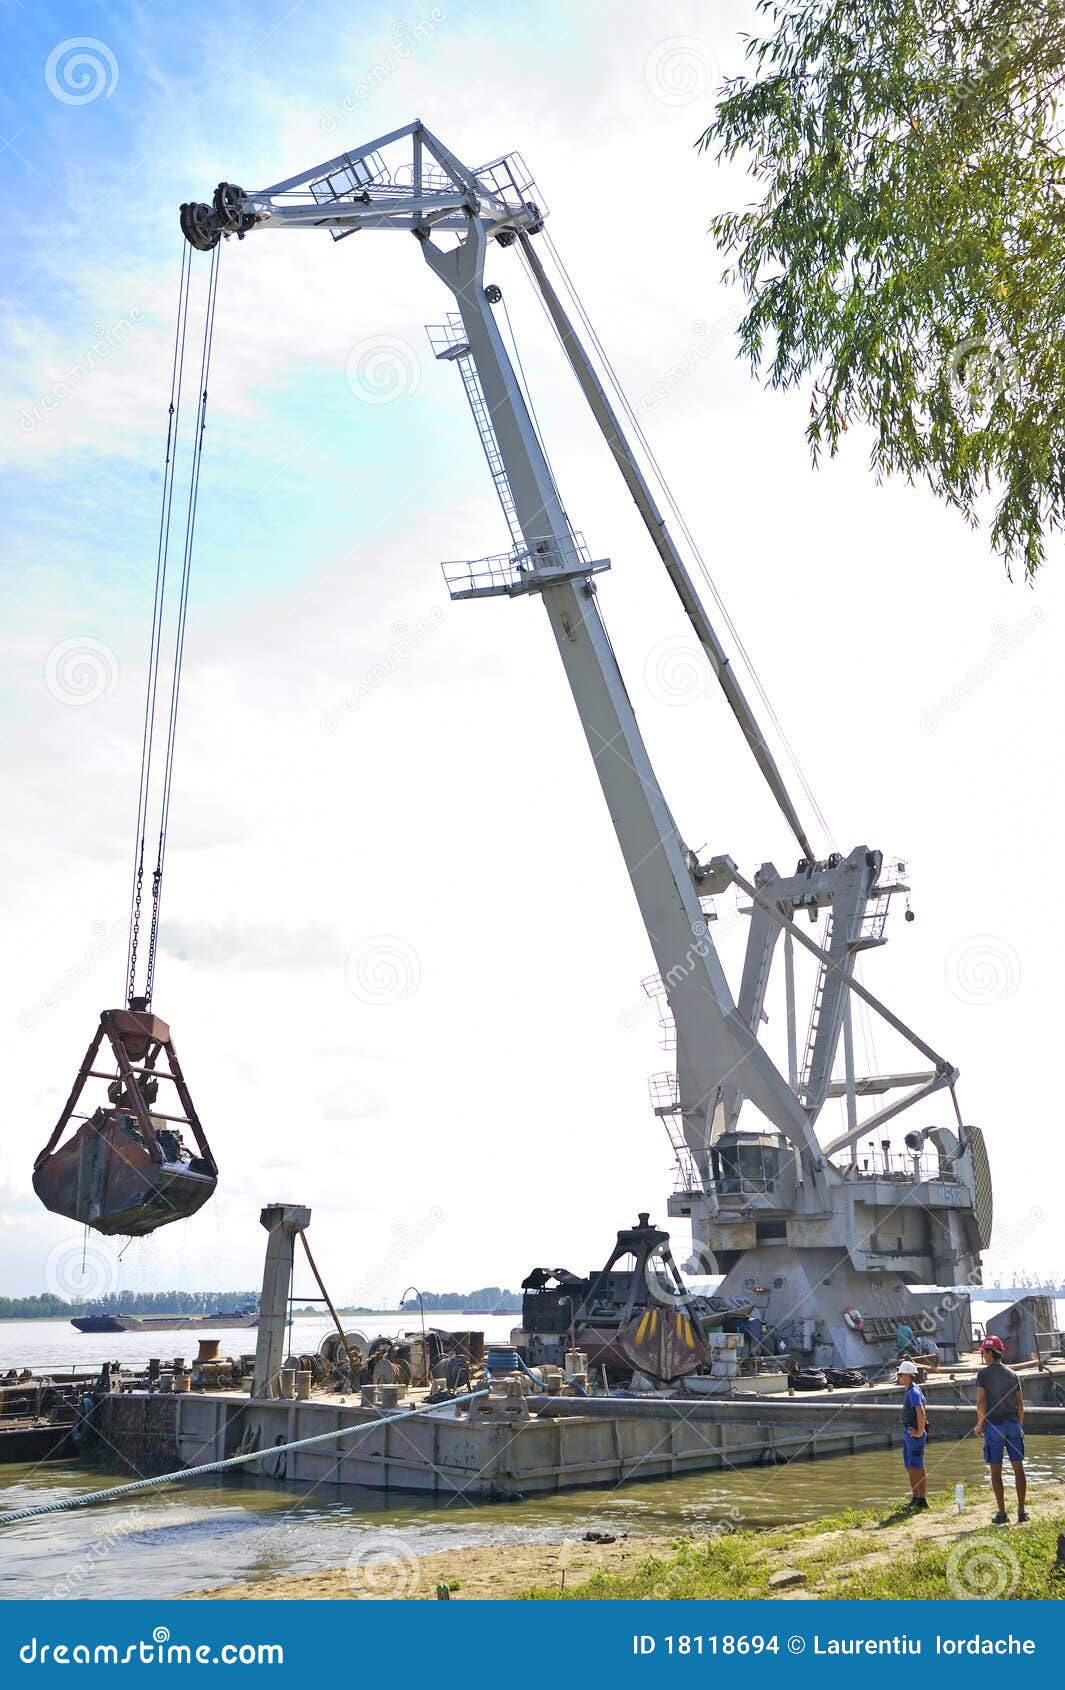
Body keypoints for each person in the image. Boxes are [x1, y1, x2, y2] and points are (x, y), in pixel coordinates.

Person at [973, 1334, 1027, 1525]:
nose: (983, 1356)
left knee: (996, 1470)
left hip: (994, 1427)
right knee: (1018, 1468)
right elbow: (1020, 1405)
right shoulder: (1013, 1374)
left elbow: (981, 1402)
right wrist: (1019, 1426)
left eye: (984, 1352)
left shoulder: (983, 1374)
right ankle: (1021, 1511)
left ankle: (1002, 1513)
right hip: (1012, 1424)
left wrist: (980, 1424)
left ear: (989, 1353)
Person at [898, 1358, 929, 1509]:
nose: (898, 1377)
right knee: (910, 1466)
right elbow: (925, 1403)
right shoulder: (913, 1389)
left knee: (917, 1466)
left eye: (900, 1374)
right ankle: (915, 1497)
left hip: (913, 1434)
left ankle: (922, 1499)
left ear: (907, 1375)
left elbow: (921, 1412)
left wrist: (919, 1431)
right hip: (909, 1432)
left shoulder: (913, 1391)